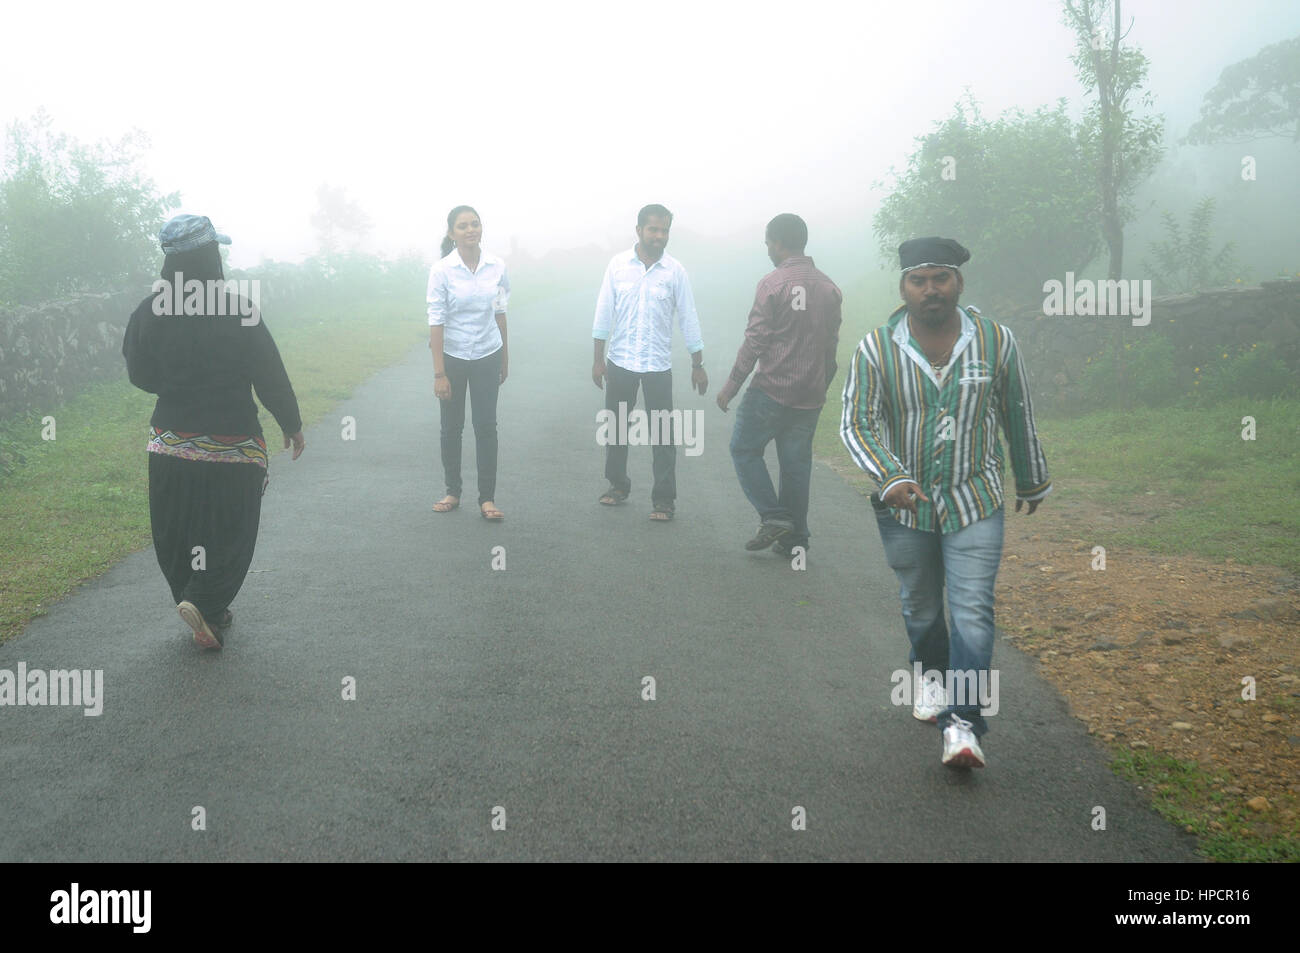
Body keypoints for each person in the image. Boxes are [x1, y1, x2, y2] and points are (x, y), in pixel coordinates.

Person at [840, 237, 1051, 768]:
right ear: (903, 288)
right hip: (904, 507)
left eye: (941, 278)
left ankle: (963, 725)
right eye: (919, 280)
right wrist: (889, 477)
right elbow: (857, 422)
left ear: (959, 282)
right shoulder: (875, 349)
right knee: (922, 606)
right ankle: (930, 678)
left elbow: (1016, 412)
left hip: (975, 497)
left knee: (973, 611)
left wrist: (1030, 477)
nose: (931, 290)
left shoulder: (996, 342)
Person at [122, 214, 305, 650]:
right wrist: (291, 423)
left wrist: (175, 386)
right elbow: (269, 374)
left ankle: (204, 605)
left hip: (170, 442)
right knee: (230, 527)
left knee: (177, 528)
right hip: (232, 442)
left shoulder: (149, 310)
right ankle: (205, 599)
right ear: (210, 256)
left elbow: (139, 373)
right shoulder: (238, 309)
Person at [716, 213, 841, 556]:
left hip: (770, 390)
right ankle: (795, 539)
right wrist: (821, 383)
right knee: (796, 466)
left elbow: (756, 341)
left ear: (779, 243)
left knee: (743, 449)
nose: (768, 249)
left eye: (769, 242)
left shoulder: (772, 284)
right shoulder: (829, 288)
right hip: (809, 395)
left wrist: (731, 385)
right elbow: (831, 345)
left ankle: (773, 516)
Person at [592, 204, 706, 521]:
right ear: (639, 229)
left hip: (657, 364)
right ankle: (617, 485)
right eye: (653, 229)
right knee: (616, 428)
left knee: (662, 434)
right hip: (620, 361)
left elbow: (688, 316)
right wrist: (598, 360)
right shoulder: (617, 266)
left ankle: (664, 499)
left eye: (664, 230)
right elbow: (604, 312)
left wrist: (698, 362)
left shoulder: (675, 271)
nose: (659, 236)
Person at [427, 205, 510, 521]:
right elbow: (436, 321)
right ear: (452, 233)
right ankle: (452, 491)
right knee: (451, 427)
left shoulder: (497, 266)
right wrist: (439, 373)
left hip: (488, 353)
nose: (470, 230)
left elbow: (500, 313)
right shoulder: (442, 270)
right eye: (463, 226)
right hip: (454, 357)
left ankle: (487, 499)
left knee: (486, 427)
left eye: (475, 224)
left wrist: (504, 358)